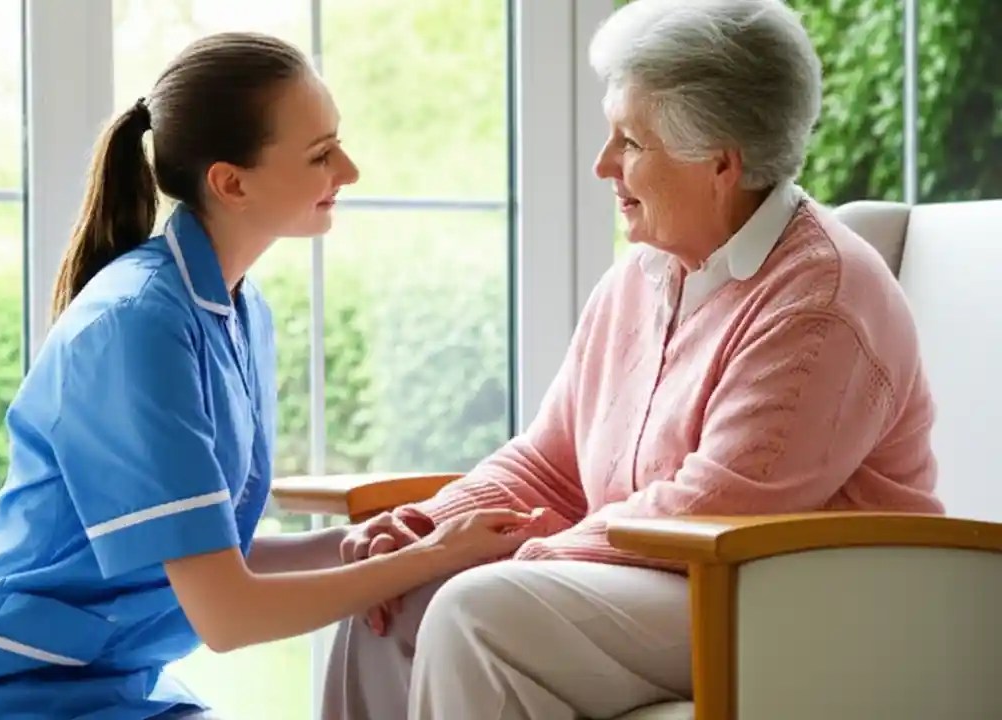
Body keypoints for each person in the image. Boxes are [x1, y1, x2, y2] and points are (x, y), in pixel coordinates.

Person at [0, 32, 548, 720]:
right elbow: (227, 615)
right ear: (231, 182)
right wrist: (429, 558)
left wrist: (350, 544)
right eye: (321, 154)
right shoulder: (137, 325)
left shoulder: (235, 307)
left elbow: (211, 557)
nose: (348, 171)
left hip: (111, 685)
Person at [322, 1, 945, 719]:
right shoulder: (642, 276)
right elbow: (548, 462)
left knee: (473, 610)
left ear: (719, 161)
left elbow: (717, 507)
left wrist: (523, 553)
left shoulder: (821, 301)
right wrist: (426, 531)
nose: (602, 165)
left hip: (800, 600)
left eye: (631, 142)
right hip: (675, 578)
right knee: (385, 595)